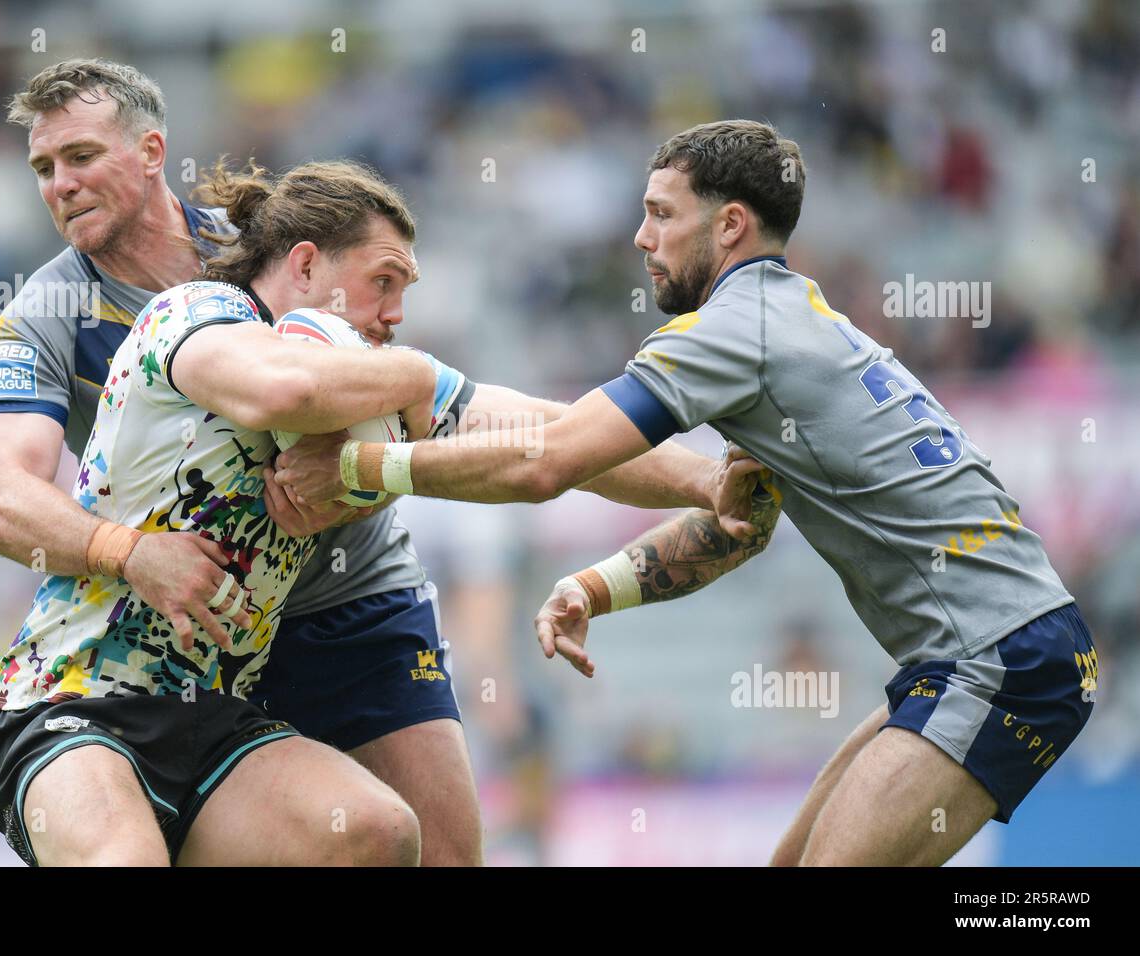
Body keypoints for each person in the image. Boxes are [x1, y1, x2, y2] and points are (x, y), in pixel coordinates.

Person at [0, 59, 762, 864]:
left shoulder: (271, 249)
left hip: (345, 600)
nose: (59, 184)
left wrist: (703, 479)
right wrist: (128, 551)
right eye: (44, 167)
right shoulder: (65, 315)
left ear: (150, 151)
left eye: (80, 157)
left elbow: (540, 438)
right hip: (170, 630)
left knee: (422, 849)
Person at [273, 119, 1098, 866]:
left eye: (662, 213)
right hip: (984, 654)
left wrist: (358, 468)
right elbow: (740, 522)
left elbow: (545, 461)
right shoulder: (797, 323)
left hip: (997, 658)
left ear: (729, 224)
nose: (641, 237)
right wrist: (594, 588)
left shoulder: (732, 333)